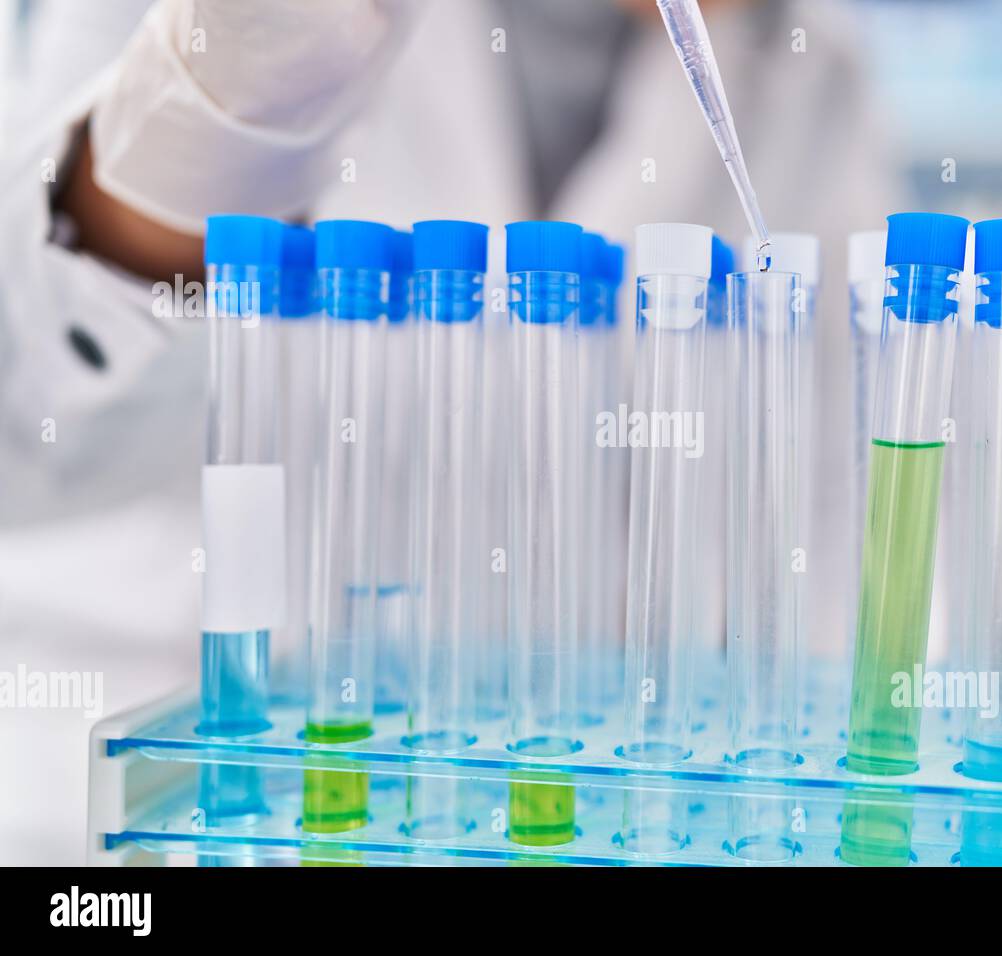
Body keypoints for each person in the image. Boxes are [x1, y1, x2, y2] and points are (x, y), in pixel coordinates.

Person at [0, 0, 899, 863]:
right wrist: (211, 126)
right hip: (152, 811)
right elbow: (26, 432)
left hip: (580, 816)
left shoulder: (812, 65)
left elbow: (820, 552)